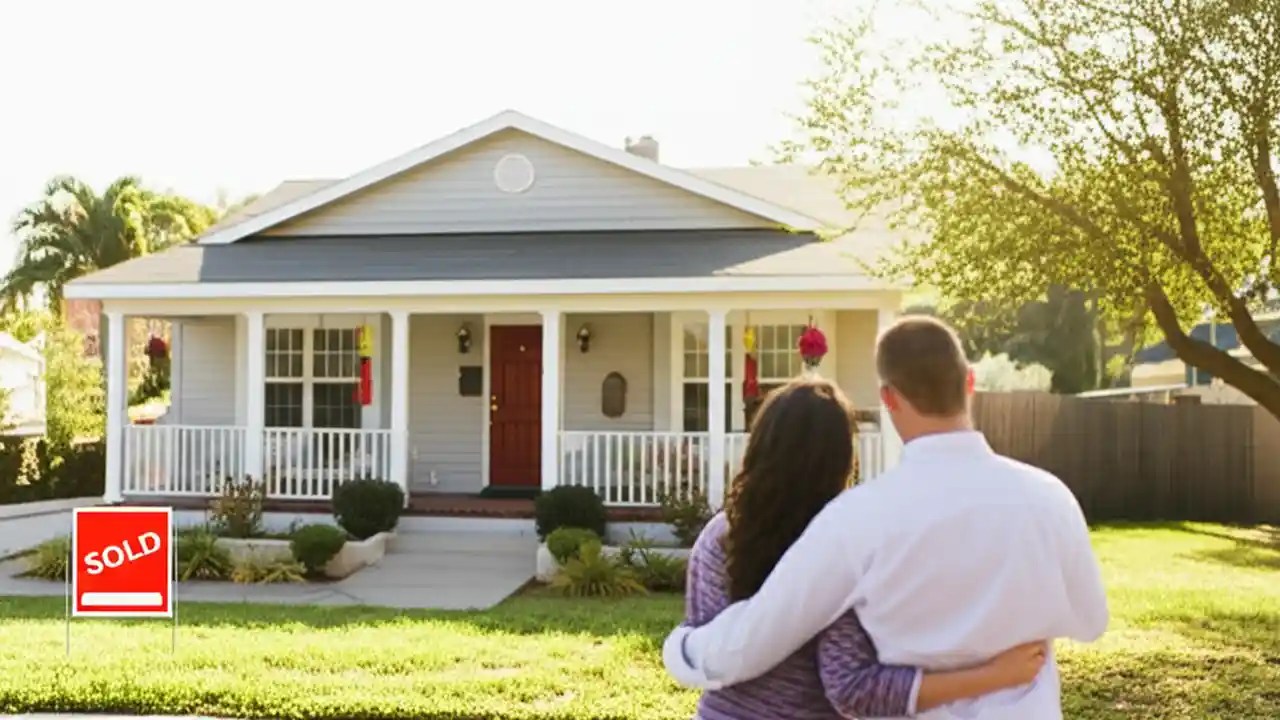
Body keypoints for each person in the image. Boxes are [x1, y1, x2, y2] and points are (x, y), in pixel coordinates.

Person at [665, 317, 1109, 719]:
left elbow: (757, 639)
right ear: (970, 381)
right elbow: (1091, 622)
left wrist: (681, 649)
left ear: (888, 398)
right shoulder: (1051, 498)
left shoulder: (857, 521)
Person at [684, 377, 1048, 719]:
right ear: (841, 460)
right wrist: (997, 675)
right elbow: (854, 689)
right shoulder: (843, 548)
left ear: (760, 444)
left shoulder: (717, 537)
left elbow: (706, 653)